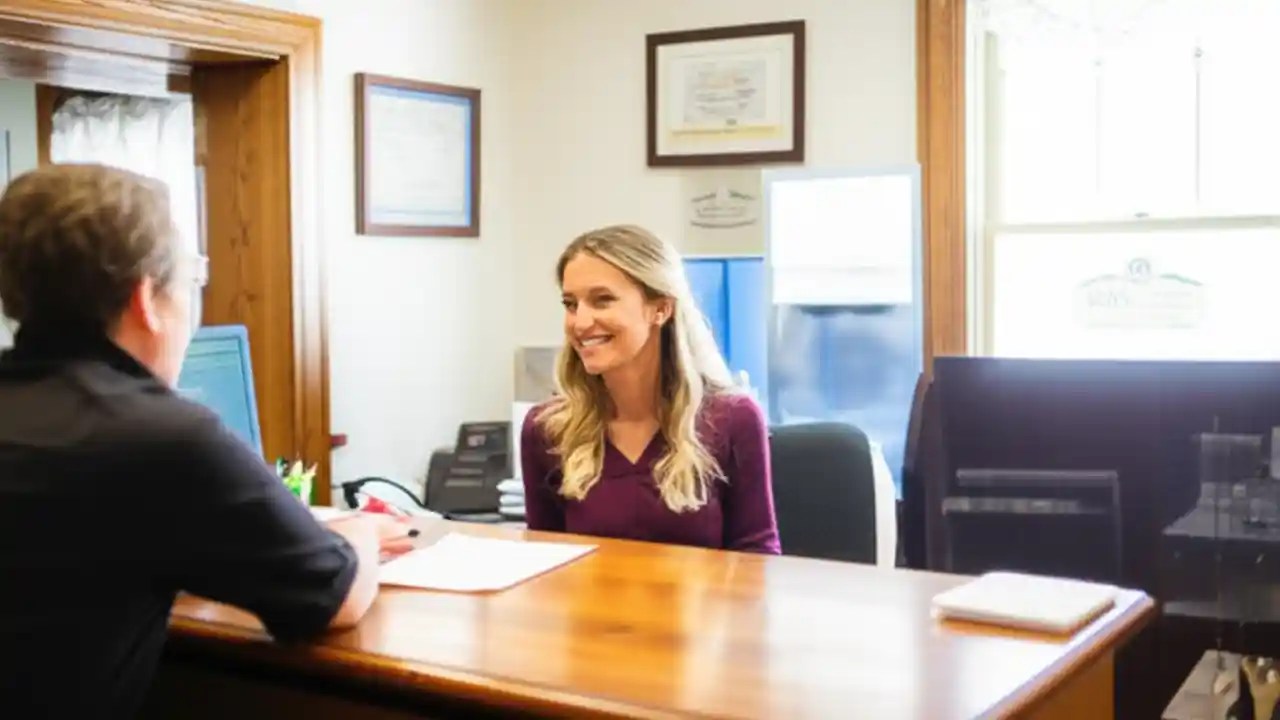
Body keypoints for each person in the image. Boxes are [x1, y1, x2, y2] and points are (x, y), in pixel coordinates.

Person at [0, 164, 413, 719]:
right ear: (146, 297)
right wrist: (360, 531)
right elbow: (333, 598)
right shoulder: (160, 437)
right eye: (191, 282)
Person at [520, 224, 780, 554]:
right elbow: (545, 562)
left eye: (602, 301)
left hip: (700, 606)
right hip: (591, 606)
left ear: (661, 309)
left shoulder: (733, 420)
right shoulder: (547, 429)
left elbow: (757, 556)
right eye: (571, 304)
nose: (580, 322)